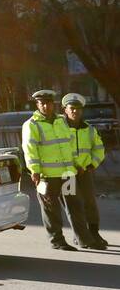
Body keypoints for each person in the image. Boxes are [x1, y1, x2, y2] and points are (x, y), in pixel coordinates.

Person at [22, 89, 88, 251]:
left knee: (75, 206)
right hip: (46, 176)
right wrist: (35, 171)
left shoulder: (61, 121)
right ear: (37, 105)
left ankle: (83, 239)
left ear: (53, 104)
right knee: (51, 210)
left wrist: (77, 164)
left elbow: (70, 144)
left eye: (49, 103)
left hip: (67, 174)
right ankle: (57, 240)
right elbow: (30, 150)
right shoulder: (32, 124)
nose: (46, 106)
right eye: (42, 103)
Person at [61, 93, 109, 249]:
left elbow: (99, 149)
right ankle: (79, 235)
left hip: (85, 173)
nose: (75, 111)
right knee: (73, 206)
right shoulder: (59, 129)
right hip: (66, 173)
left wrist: (90, 166)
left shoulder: (89, 129)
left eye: (78, 109)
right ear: (65, 110)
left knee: (90, 203)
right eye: (72, 108)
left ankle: (94, 233)